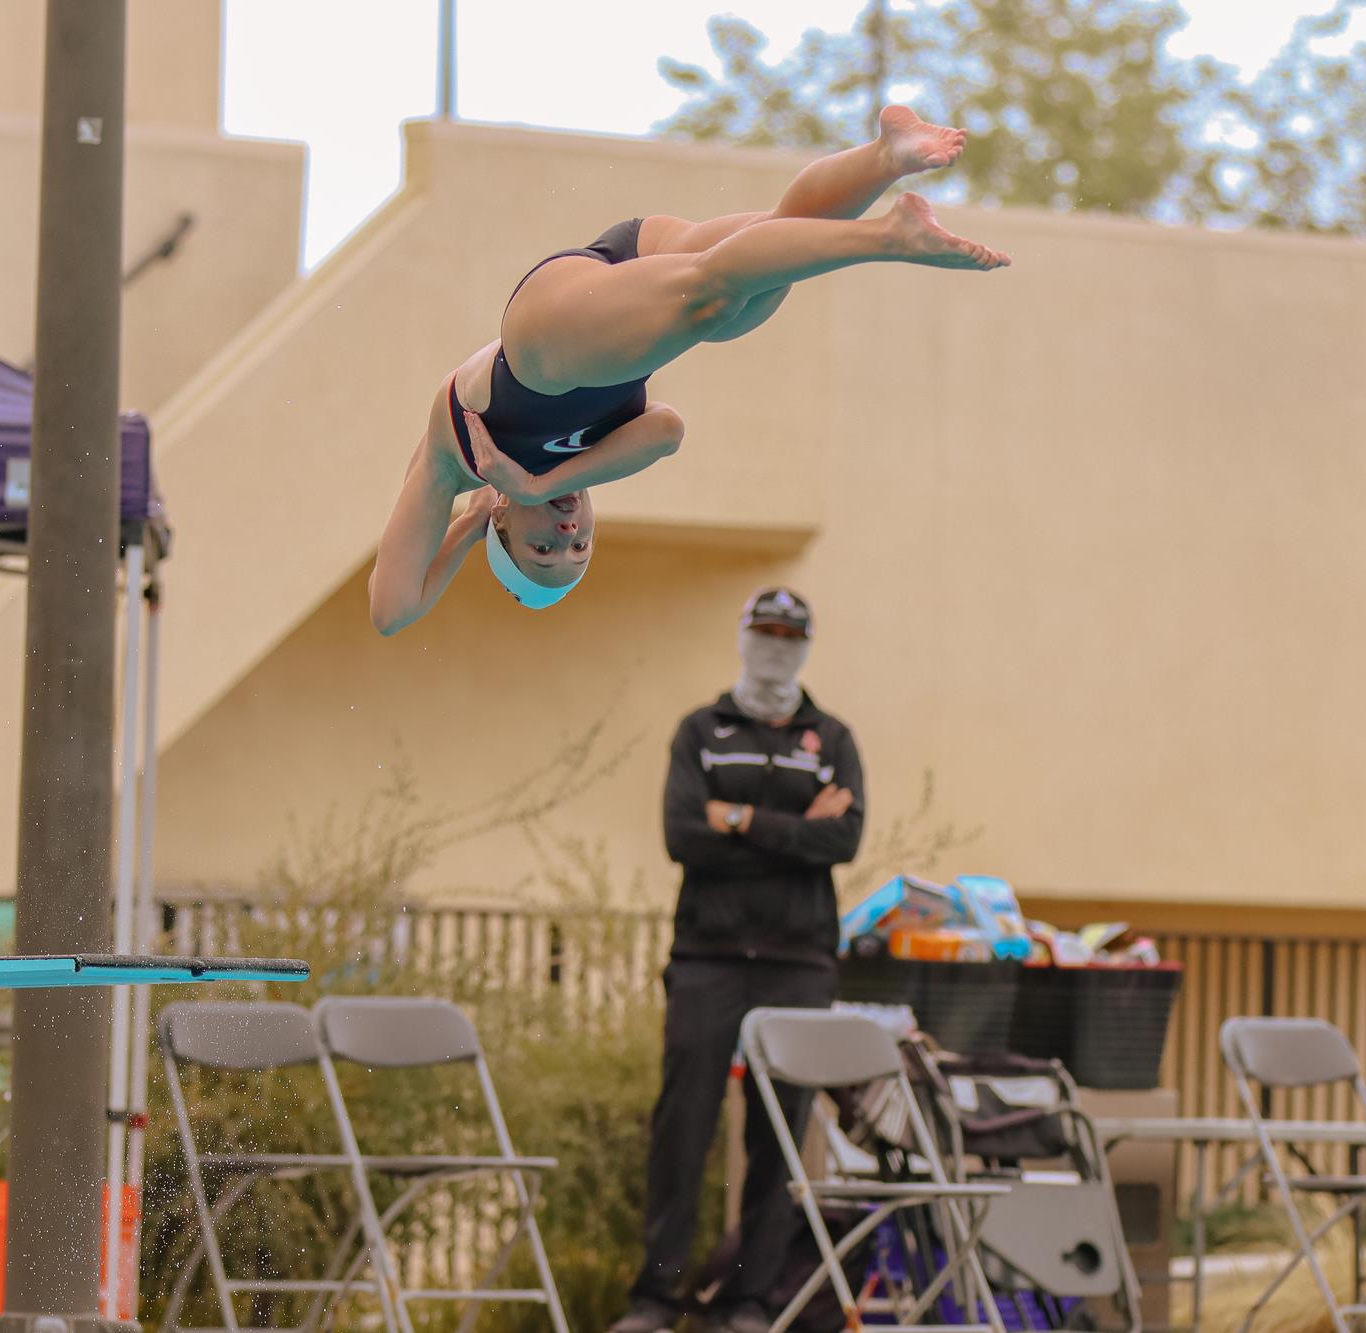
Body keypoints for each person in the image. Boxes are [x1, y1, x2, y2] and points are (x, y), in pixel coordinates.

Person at [367, 109, 1010, 634]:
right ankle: (885, 156)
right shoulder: (577, 467)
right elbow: (667, 429)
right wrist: (533, 488)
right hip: (625, 266)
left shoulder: (451, 465)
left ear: (503, 530)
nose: (568, 535)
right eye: (579, 549)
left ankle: (890, 237)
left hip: (544, 342)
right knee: (756, 284)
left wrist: (475, 519)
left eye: (543, 550)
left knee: (713, 296)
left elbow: (392, 612)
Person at [615, 587, 866, 1333]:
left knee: (778, 1132)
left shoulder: (836, 737)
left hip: (799, 962)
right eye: (767, 631)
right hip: (708, 957)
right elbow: (683, 837)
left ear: (808, 644)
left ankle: (749, 1300)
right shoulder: (701, 730)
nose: (777, 645)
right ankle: (657, 1297)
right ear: (743, 637)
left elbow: (843, 842)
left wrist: (740, 820)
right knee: (682, 1124)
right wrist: (792, 829)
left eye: (792, 634)